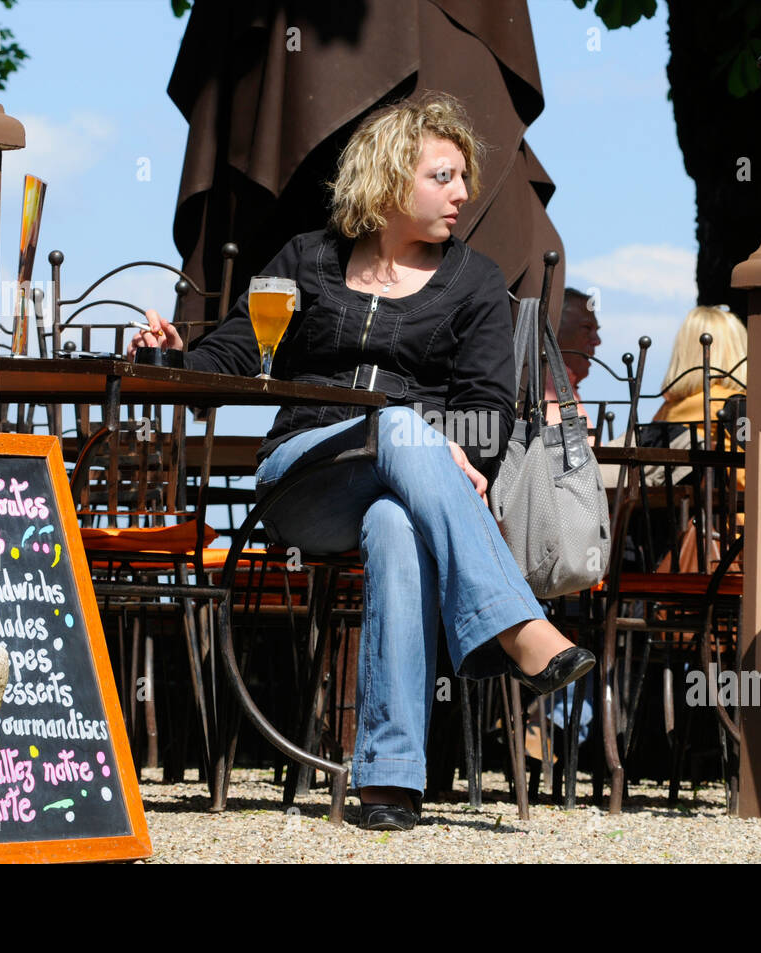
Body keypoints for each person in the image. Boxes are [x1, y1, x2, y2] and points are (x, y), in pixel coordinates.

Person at [129, 92, 594, 830]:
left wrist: (430, 440)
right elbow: (231, 353)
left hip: (408, 485)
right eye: (444, 176)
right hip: (303, 473)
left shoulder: (474, 281)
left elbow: (484, 418)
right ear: (388, 179)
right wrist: (174, 355)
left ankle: (389, 781)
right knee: (402, 427)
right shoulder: (306, 261)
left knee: (395, 525)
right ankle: (518, 626)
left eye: (464, 178)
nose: (463, 193)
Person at [543, 288, 601, 436]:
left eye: (596, 330)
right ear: (554, 328)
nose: (597, 341)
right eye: (586, 328)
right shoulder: (537, 389)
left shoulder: (566, 388)